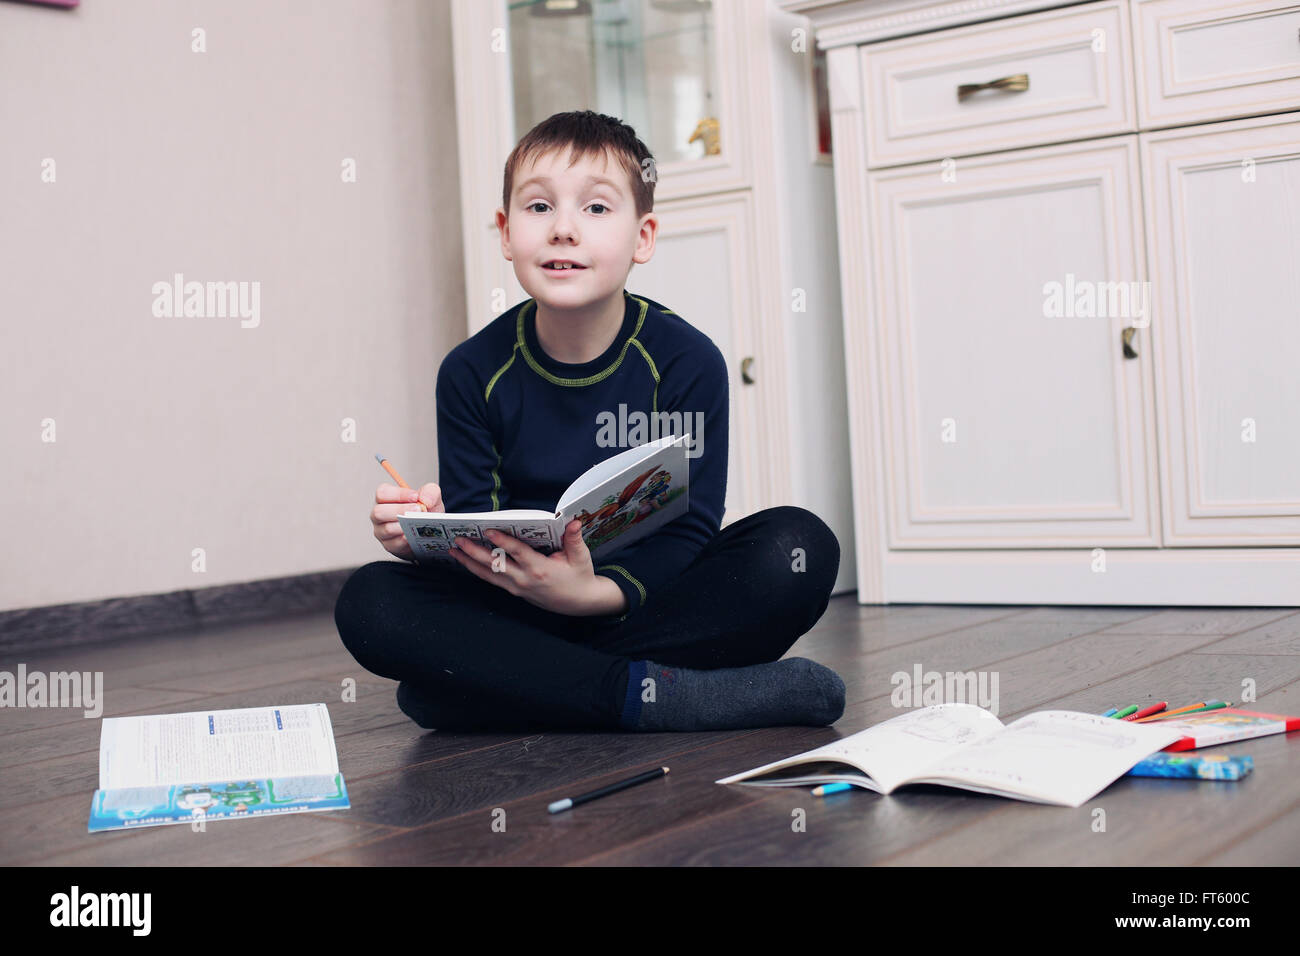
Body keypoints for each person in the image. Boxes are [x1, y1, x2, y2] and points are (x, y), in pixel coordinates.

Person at [334, 110, 845, 732]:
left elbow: (690, 529)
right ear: (505, 232)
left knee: (797, 547)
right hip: (516, 608)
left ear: (643, 237)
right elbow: (484, 534)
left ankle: (498, 690)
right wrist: (430, 537)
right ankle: (649, 695)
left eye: (597, 209)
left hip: (644, 603)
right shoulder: (470, 372)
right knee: (370, 602)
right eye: (539, 207)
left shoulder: (687, 361)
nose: (564, 230)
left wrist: (590, 594)